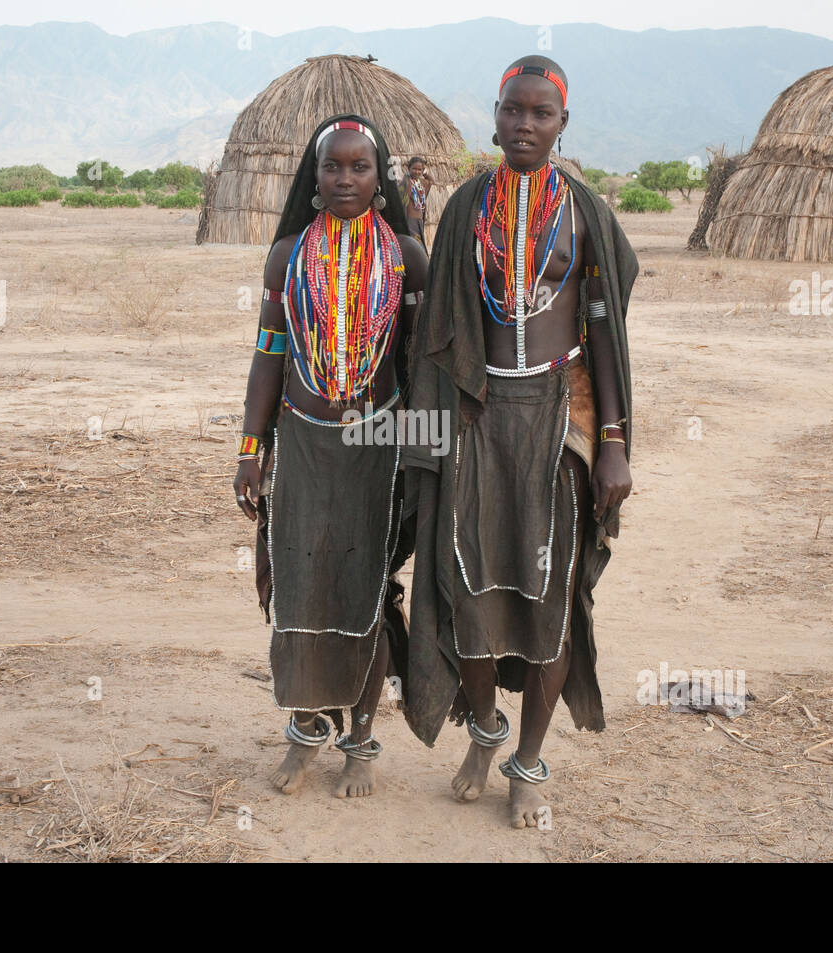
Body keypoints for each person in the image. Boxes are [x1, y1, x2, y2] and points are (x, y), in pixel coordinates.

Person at [402, 56, 638, 828]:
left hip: (556, 412)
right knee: (464, 586)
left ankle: (528, 763)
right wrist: (426, 430)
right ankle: (485, 729)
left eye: (541, 114)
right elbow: (439, 330)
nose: (525, 126)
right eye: (513, 111)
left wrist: (612, 440)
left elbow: (603, 329)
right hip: (477, 413)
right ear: (494, 116)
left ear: (562, 124)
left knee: (550, 599)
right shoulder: (469, 205)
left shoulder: (584, 214)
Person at [233, 114, 429, 799]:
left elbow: (421, 363)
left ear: (381, 181)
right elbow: (268, 358)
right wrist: (251, 450)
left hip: (377, 444)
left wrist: (427, 453)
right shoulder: (287, 256)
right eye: (332, 168)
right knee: (297, 591)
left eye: (360, 167)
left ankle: (362, 742)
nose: (345, 178)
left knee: (365, 594)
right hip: (304, 439)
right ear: (313, 180)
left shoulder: (407, 256)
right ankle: (305, 730)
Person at [399, 156, 434, 249]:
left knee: (419, 246)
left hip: (419, 221)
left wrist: (425, 172)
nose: (417, 172)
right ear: (409, 168)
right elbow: (401, 202)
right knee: (416, 247)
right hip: (410, 221)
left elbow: (430, 181)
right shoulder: (406, 183)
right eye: (414, 169)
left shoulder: (420, 184)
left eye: (420, 170)